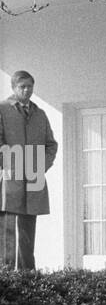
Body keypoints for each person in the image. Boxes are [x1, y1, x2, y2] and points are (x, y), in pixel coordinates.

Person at [0, 71, 58, 271]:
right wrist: (9, 164)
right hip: (10, 176)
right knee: (7, 233)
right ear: (13, 88)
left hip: (33, 178)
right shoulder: (2, 109)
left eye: (30, 86)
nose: (27, 90)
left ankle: (27, 276)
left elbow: (51, 145)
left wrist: (41, 167)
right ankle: (5, 276)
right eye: (22, 86)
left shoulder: (40, 114)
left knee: (28, 231)